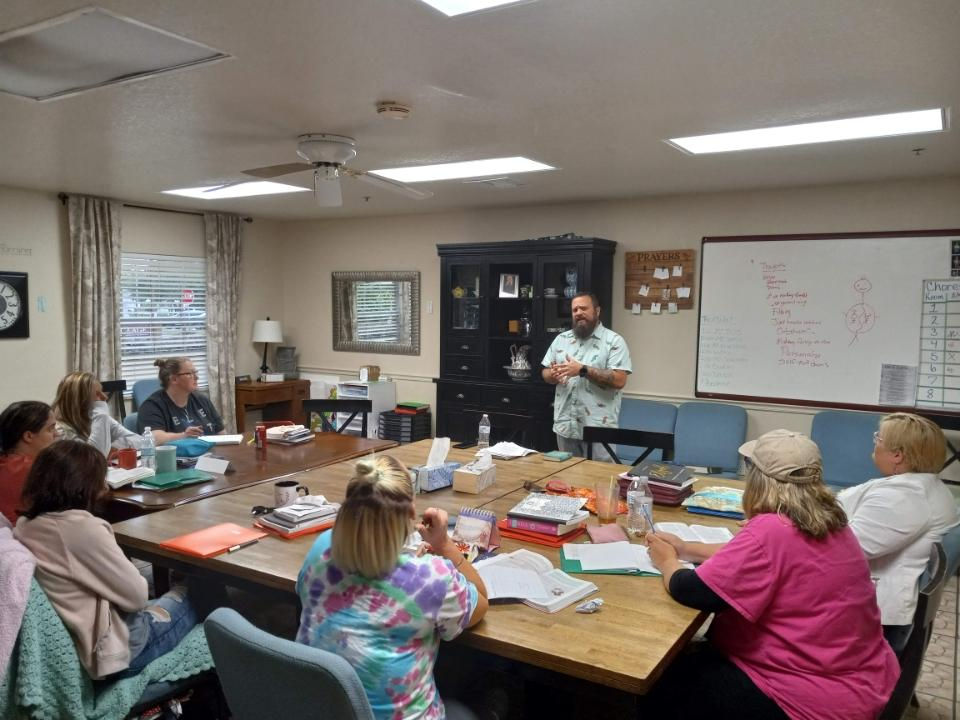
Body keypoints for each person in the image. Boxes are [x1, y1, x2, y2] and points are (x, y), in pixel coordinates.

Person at [645, 430, 898, 720]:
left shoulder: (770, 529)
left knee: (656, 683)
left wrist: (667, 561)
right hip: (859, 677)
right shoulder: (831, 520)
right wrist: (687, 548)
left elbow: (691, 590)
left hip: (808, 697)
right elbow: (767, 559)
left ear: (759, 480)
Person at [296, 455, 488, 720]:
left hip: (320, 709)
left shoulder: (321, 548)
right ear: (411, 513)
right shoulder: (431, 578)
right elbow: (482, 602)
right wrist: (444, 544)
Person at [13, 440, 208, 679]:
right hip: (117, 652)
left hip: (79, 640)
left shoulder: (25, 525)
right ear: (84, 485)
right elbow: (136, 597)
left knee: (173, 590)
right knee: (201, 586)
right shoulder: (82, 528)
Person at [837, 412, 960, 653]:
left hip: (873, 621)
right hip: (875, 607)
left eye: (878, 439)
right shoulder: (918, 484)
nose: (874, 443)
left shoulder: (905, 497)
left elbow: (845, 550)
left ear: (897, 454)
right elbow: (843, 501)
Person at [540, 291, 631, 460]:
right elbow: (544, 372)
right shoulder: (561, 340)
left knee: (600, 483)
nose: (578, 313)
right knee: (567, 482)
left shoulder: (614, 341)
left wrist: (583, 370)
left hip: (599, 429)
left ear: (597, 311)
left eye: (583, 308)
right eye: (575, 310)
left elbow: (620, 379)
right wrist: (553, 374)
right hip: (566, 426)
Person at [53, 371, 144, 457]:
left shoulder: (95, 416)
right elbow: (95, 457)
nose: (105, 397)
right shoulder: (60, 432)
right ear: (79, 401)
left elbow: (139, 440)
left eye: (102, 391)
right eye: (97, 394)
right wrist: (101, 412)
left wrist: (114, 447)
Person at [137, 357, 223, 442]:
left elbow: (221, 433)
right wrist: (184, 435)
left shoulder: (202, 399)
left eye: (195, 372)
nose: (196, 377)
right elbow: (154, 438)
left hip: (211, 453)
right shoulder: (152, 405)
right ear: (174, 379)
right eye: (190, 373)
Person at [0, 401, 57, 524]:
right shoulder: (37, 471)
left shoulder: (5, 462)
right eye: (51, 429)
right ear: (28, 436)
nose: (56, 434)